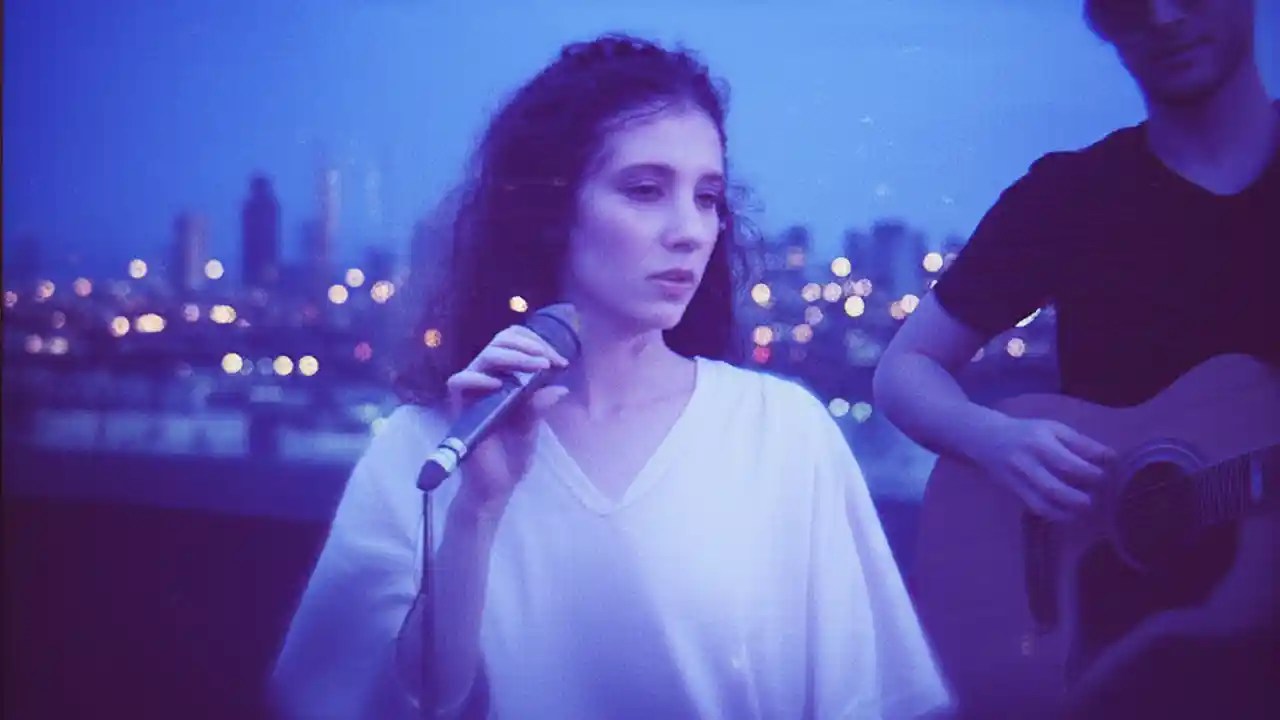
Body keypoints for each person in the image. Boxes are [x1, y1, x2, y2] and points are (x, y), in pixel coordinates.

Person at [270, 33, 951, 720]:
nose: (690, 230)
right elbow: (380, 700)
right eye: (646, 190)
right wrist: (475, 514)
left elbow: (874, 697)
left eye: (708, 197)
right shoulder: (423, 453)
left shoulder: (780, 432)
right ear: (552, 211)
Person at [873, 0, 1278, 717]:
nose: (1162, 16)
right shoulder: (1069, 196)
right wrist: (996, 439)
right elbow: (905, 370)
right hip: (1109, 664)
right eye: (1126, 1)